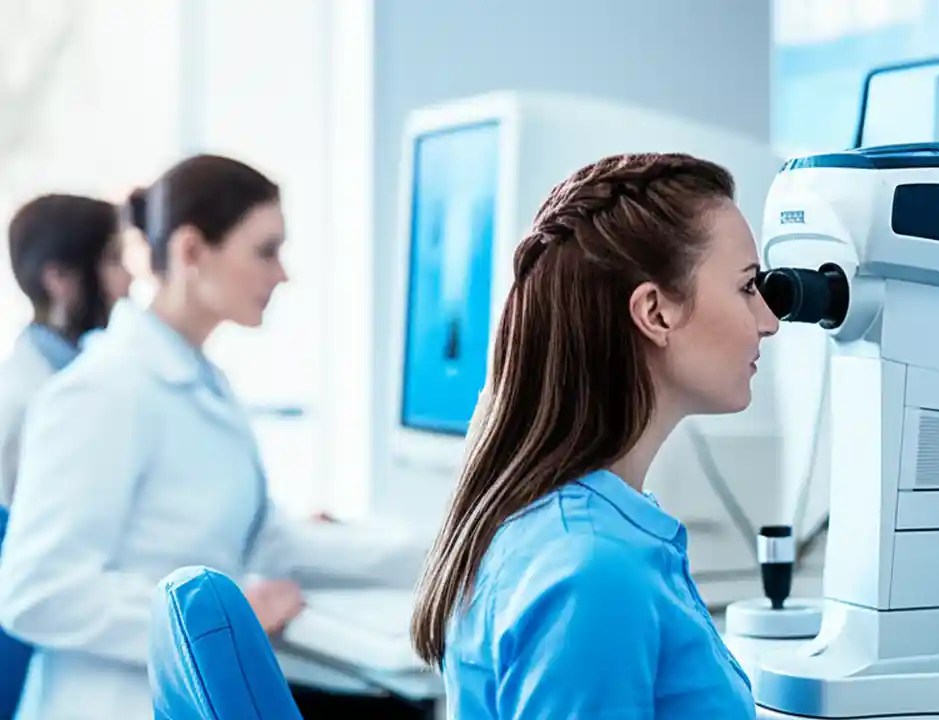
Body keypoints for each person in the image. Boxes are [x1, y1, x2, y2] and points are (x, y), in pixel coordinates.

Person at [0, 155, 423, 719]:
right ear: (191, 251)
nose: (282, 274)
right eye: (265, 251)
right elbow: (37, 592)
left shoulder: (204, 381)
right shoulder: (104, 392)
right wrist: (222, 613)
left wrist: (445, 552)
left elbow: (269, 542)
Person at [412, 152, 778, 718]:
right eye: (748, 288)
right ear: (655, 312)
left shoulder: (567, 529)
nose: (769, 320)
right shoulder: (596, 571)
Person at [0, 194, 133, 507]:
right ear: (58, 278)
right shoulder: (18, 404)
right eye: (113, 260)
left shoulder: (97, 373)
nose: (129, 278)